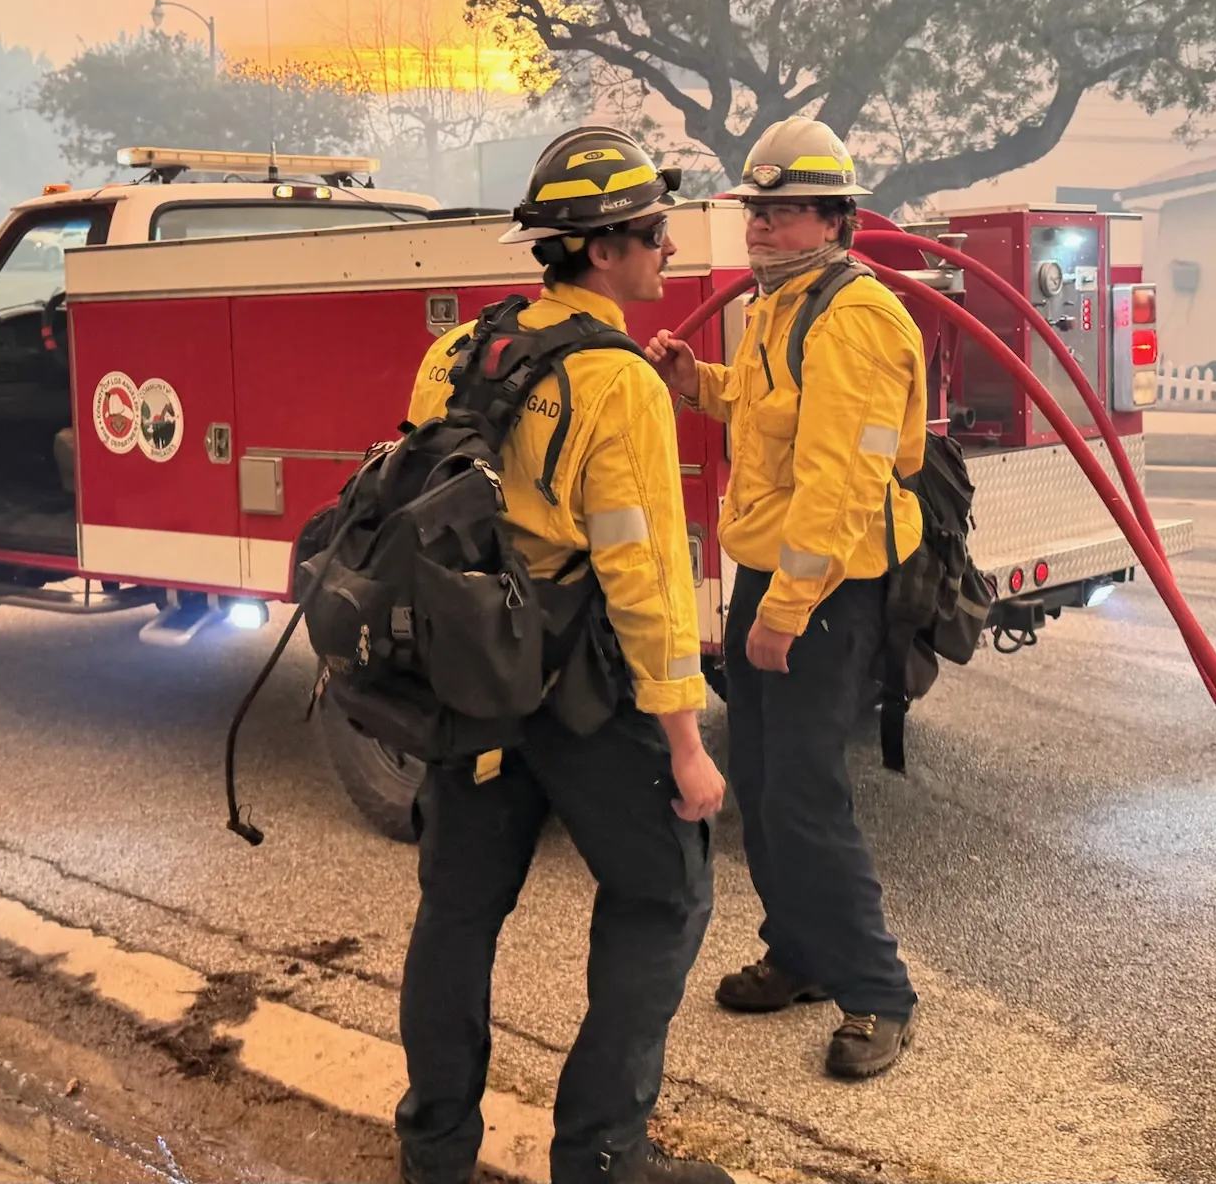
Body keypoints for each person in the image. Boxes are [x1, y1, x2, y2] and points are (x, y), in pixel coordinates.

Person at [395, 126, 732, 1184]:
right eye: (654, 233)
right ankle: (601, 1157)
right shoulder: (618, 382)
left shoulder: (457, 351)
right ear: (602, 249)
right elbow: (645, 575)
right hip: (578, 687)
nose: (667, 249)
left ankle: (434, 1153)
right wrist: (686, 744)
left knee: (457, 912)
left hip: (471, 680)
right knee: (666, 895)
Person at [643, 116, 927, 1082]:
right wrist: (698, 383)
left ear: (836, 220)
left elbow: (841, 483)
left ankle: (879, 993)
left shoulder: (855, 319)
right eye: (755, 210)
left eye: (785, 210)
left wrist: (786, 611)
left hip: (827, 586)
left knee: (805, 796)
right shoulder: (783, 303)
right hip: (773, 573)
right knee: (761, 786)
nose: (760, 226)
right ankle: (800, 954)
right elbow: (774, 414)